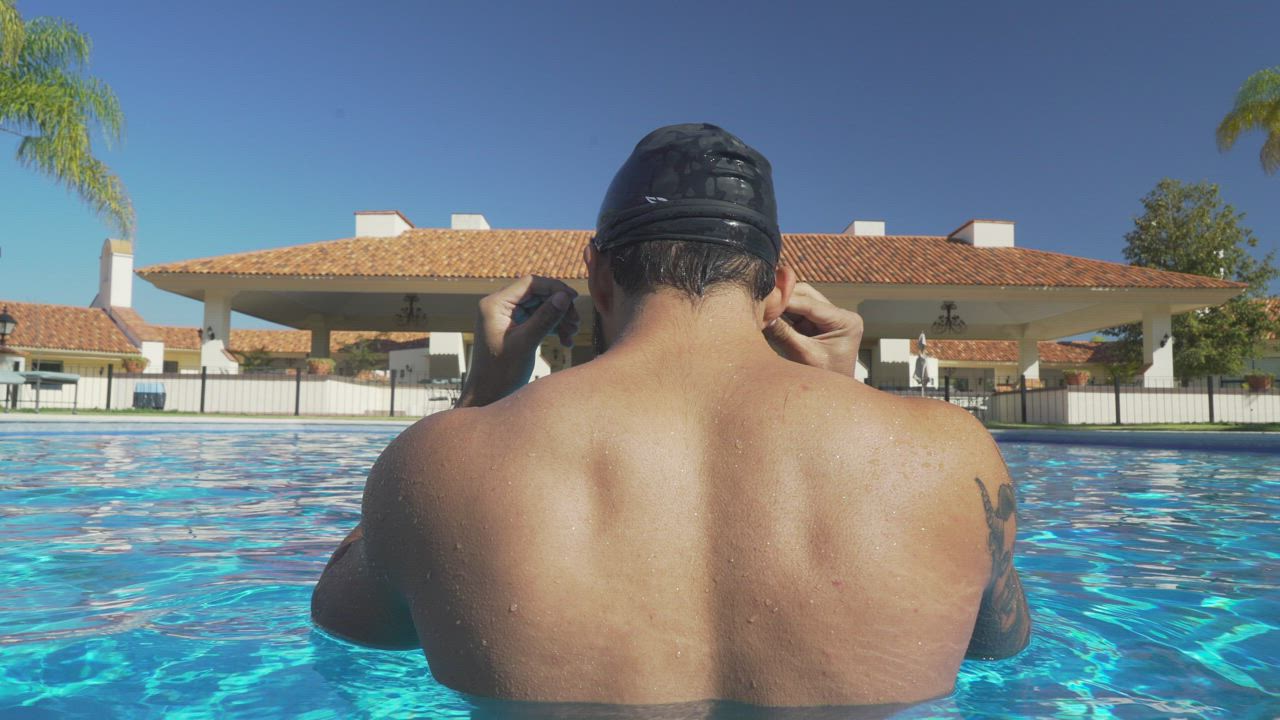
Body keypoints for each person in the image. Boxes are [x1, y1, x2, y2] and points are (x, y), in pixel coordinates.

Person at [312, 123, 1030, 710]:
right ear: (778, 288)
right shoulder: (946, 454)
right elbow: (1000, 641)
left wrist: (482, 399)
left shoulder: (442, 459)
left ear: (598, 275)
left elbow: (349, 625)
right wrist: (849, 395)